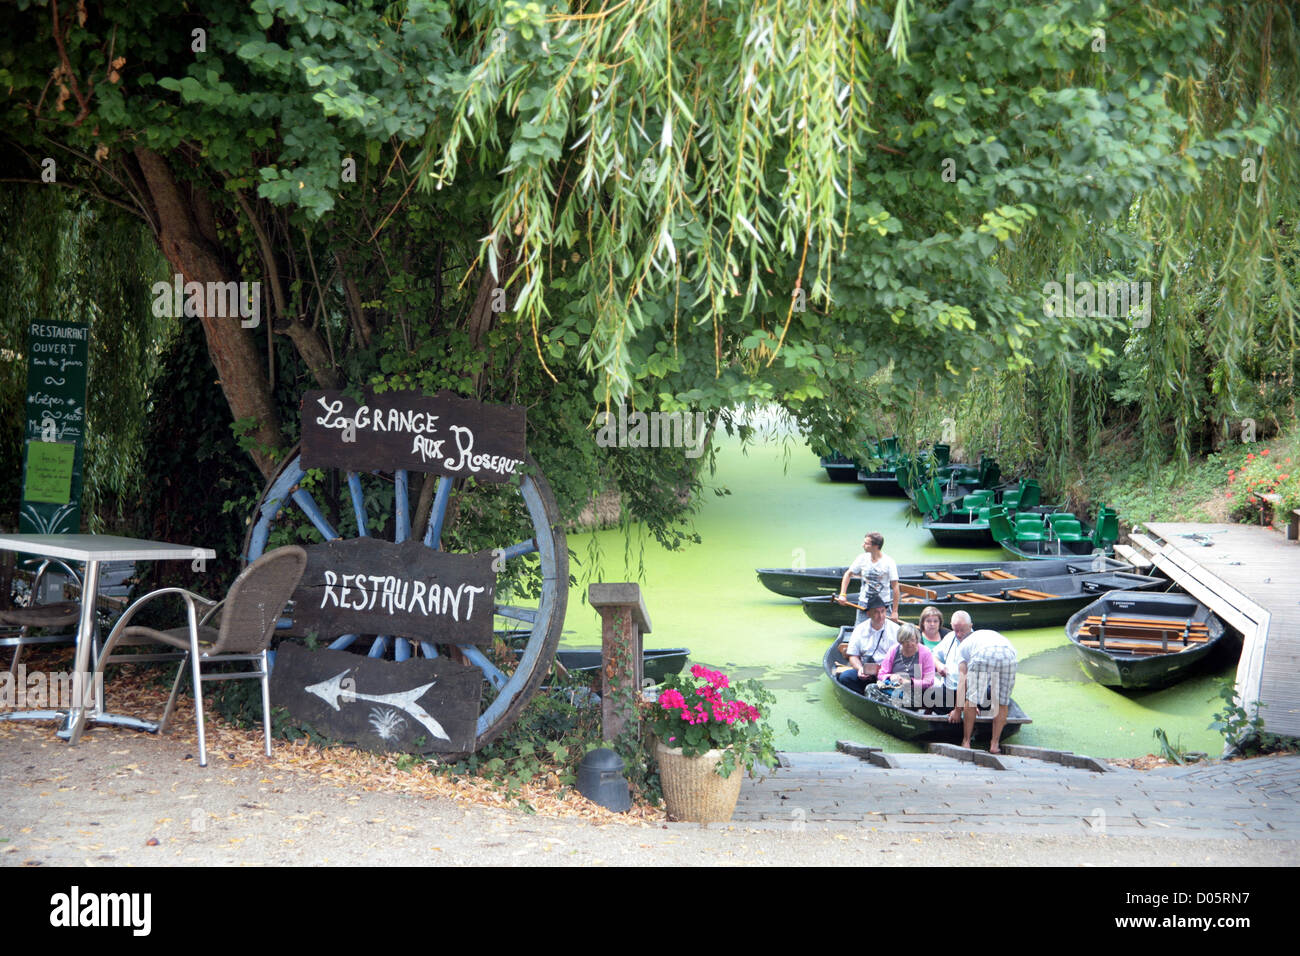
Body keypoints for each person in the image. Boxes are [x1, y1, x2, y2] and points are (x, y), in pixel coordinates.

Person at [947, 628, 1019, 755]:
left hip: (984, 653)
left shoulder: (962, 647)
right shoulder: (988, 636)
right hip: (1009, 655)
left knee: (972, 699)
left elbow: (963, 680)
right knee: (1002, 702)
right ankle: (995, 744)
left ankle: (966, 741)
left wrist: (957, 711)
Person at [835, 593, 899, 694]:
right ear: (868, 614)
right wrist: (860, 669)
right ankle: (866, 694)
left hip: (887, 673)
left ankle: (879, 693)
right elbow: (853, 656)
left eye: (883, 611)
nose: (881, 616)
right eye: (876, 612)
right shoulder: (860, 629)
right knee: (845, 677)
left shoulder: (895, 629)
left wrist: (885, 671)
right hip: (867, 671)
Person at [835, 531, 900, 624]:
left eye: (866, 543)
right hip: (864, 603)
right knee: (859, 633)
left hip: (882, 605)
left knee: (886, 633)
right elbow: (848, 574)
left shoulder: (889, 562)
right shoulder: (862, 558)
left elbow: (895, 587)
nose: (863, 545)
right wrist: (842, 594)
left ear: (876, 546)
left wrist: (894, 611)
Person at [876, 623, 935, 707]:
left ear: (917, 639)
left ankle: (887, 705)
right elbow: (881, 674)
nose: (909, 644)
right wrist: (890, 677)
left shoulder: (925, 653)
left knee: (910, 700)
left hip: (914, 692)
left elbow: (929, 681)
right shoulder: (893, 650)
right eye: (906, 641)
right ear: (901, 640)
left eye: (912, 640)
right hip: (892, 688)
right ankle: (889, 705)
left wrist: (910, 682)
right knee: (870, 688)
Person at [927, 610, 972, 710]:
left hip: (970, 692)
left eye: (962, 630)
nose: (959, 634)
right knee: (928, 697)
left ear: (970, 626)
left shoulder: (976, 641)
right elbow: (932, 655)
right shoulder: (950, 637)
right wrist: (939, 665)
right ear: (952, 626)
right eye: (956, 630)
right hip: (949, 689)